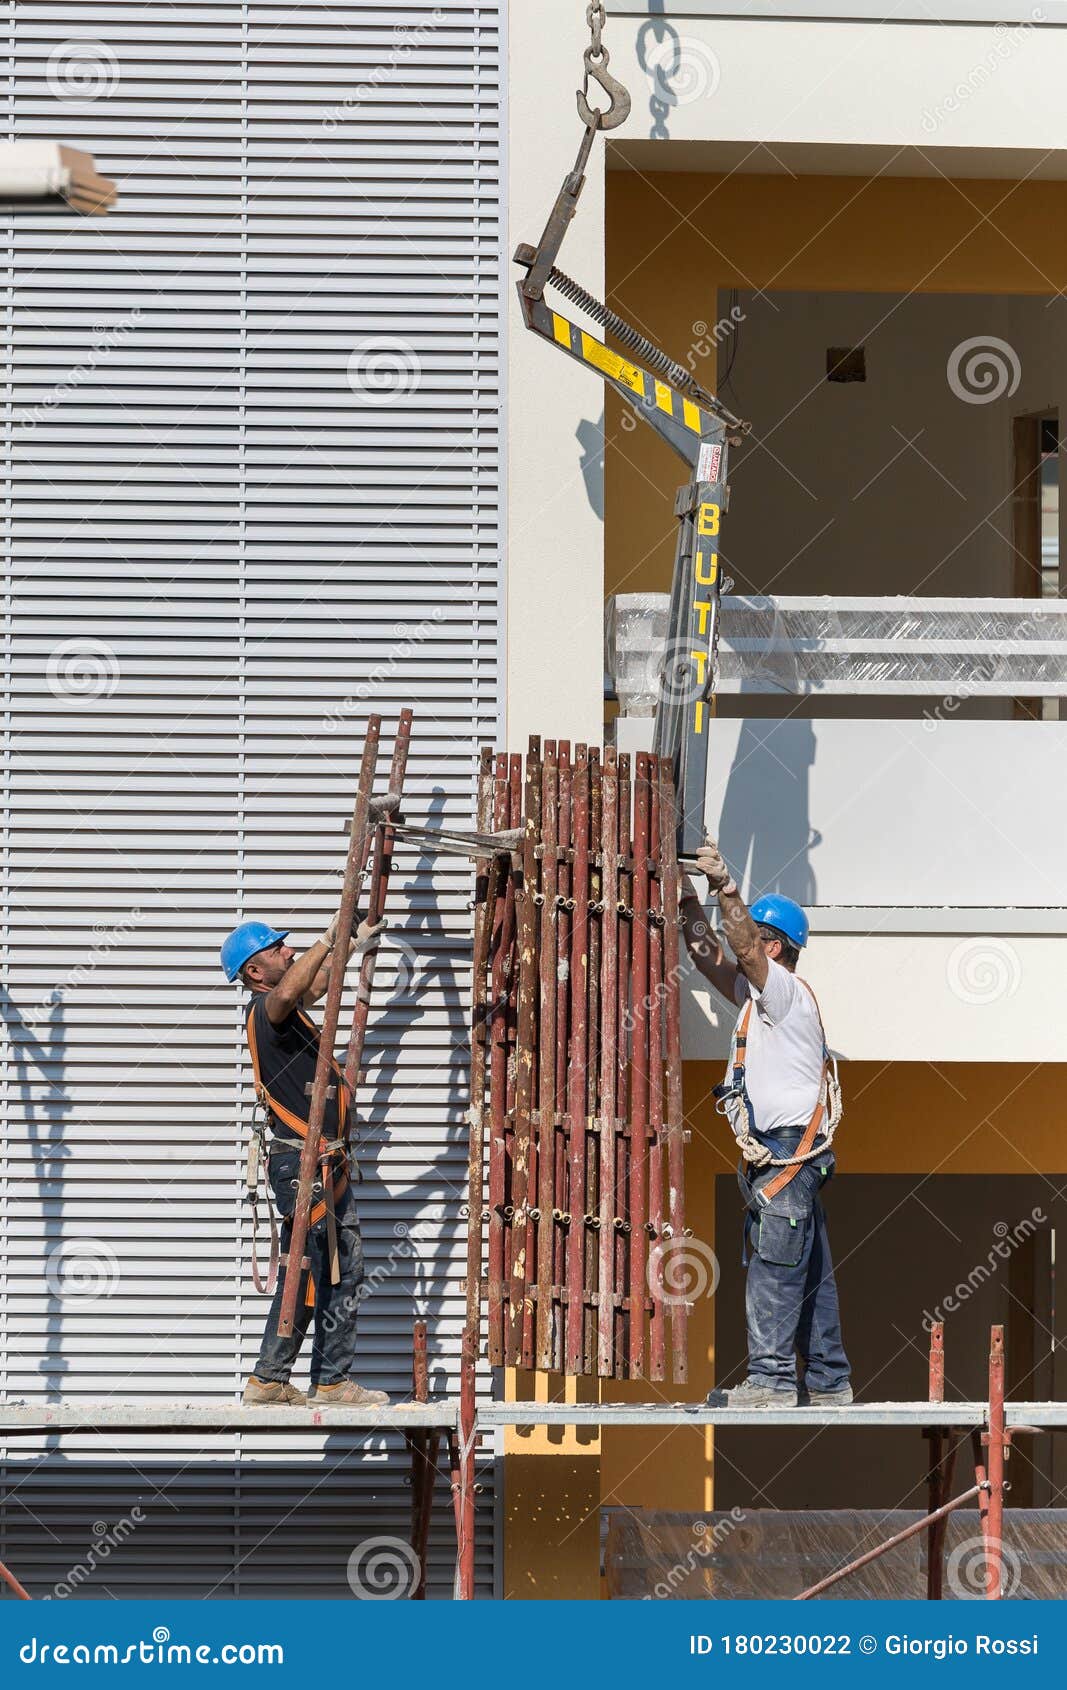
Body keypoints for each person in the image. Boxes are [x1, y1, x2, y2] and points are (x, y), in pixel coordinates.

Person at [679, 841, 852, 1409]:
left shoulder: (784, 992)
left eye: (753, 934)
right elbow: (709, 958)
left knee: (775, 1270)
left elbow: (745, 953)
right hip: (789, 1159)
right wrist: (685, 895)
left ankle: (772, 1382)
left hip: (787, 1154)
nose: (742, 942)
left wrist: (728, 889)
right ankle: (828, 1381)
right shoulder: (760, 1001)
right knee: (809, 1273)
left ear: (774, 946)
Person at [220, 911, 387, 1407]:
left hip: (322, 1165)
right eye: (278, 950)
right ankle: (294, 1379)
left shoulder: (288, 1012)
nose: (288, 952)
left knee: (327, 1265)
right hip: (303, 1165)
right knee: (319, 1265)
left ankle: (290, 1378)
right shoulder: (267, 1012)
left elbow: (310, 988)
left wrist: (348, 947)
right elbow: (292, 990)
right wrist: (328, 937)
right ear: (255, 971)